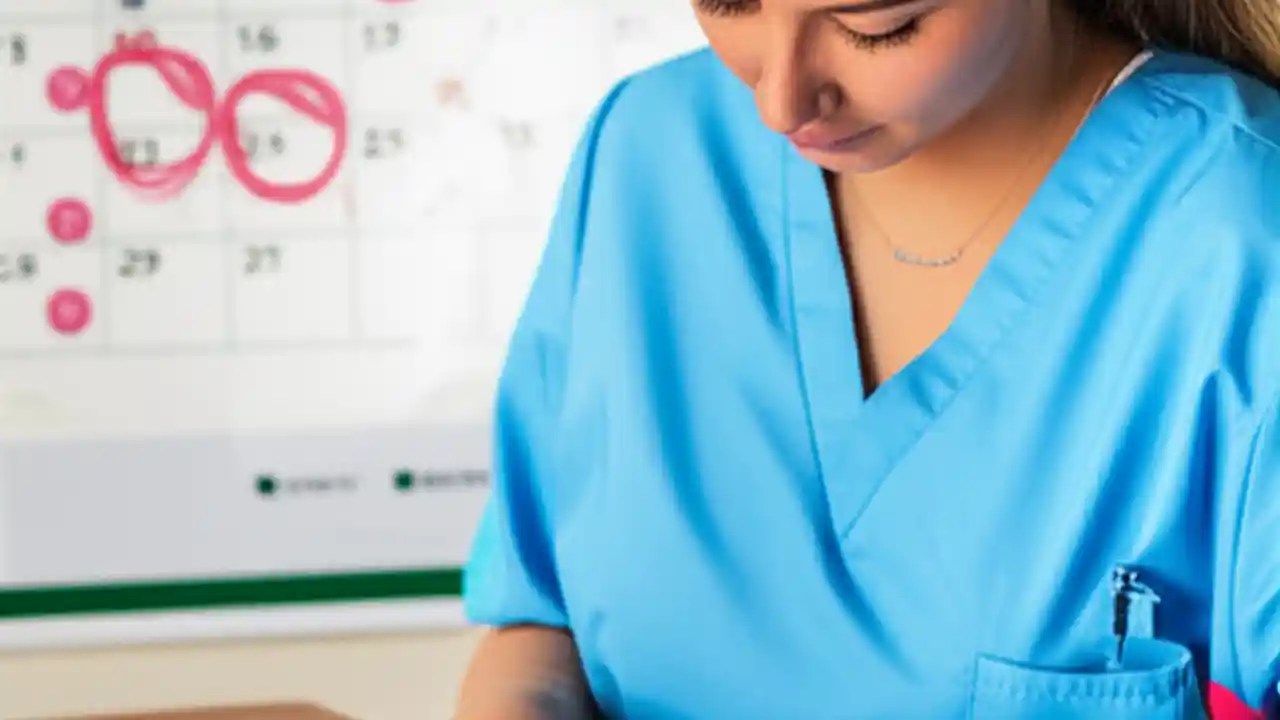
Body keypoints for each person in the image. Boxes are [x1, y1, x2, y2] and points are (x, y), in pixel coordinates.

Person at [453, 0, 1280, 717]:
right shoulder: (647, 147)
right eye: (730, 1)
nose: (781, 102)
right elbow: (541, 615)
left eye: (876, 26)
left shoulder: (1238, 233)